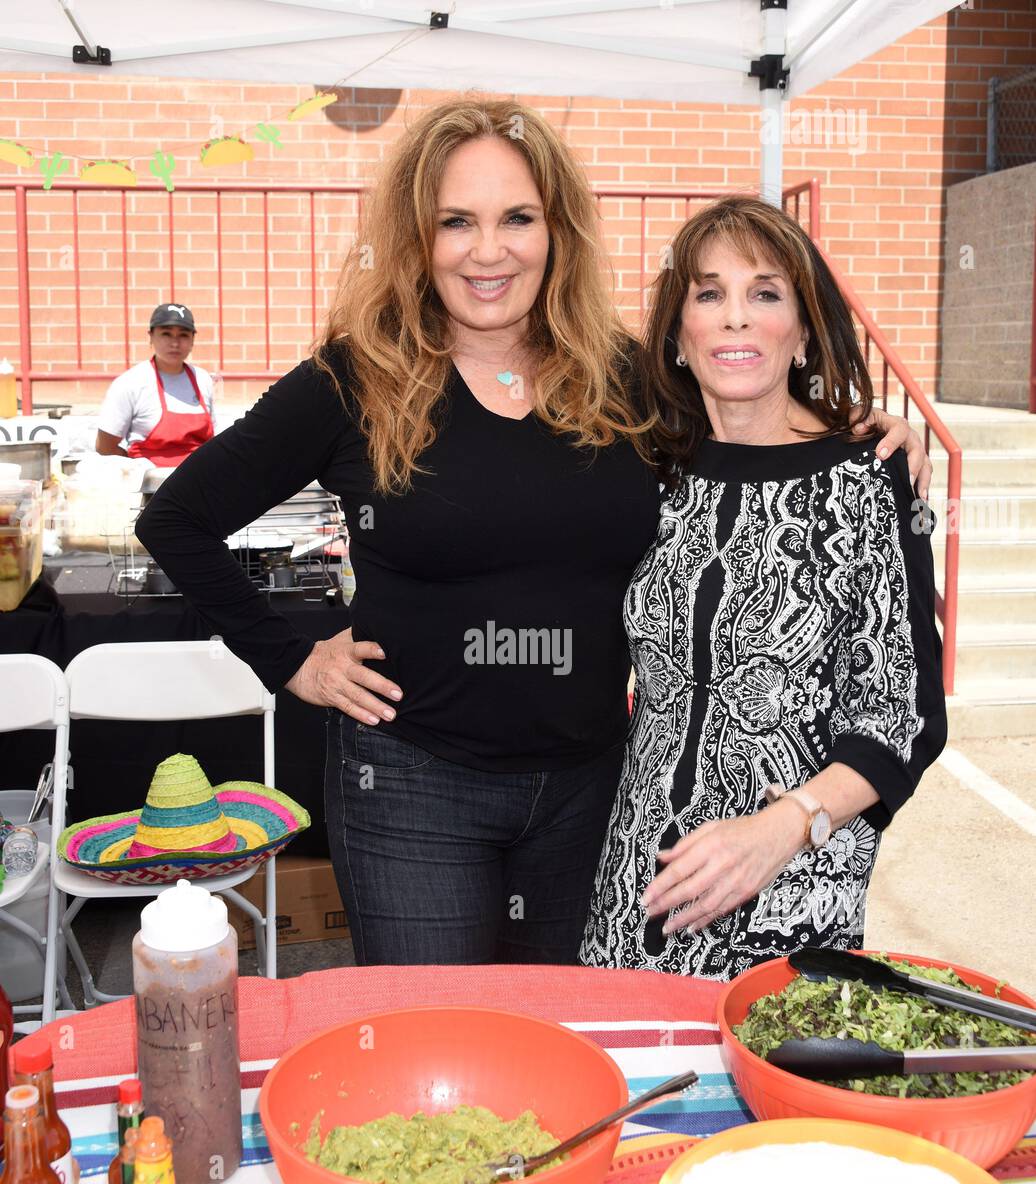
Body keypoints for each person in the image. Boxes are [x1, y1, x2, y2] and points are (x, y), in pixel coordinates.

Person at [136, 99, 929, 969]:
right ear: (416, 238)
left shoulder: (625, 379)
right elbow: (176, 519)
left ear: (556, 232)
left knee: (568, 1052)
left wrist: (867, 437)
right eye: (456, 222)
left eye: (517, 217)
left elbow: (755, 427)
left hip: (593, 795)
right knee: (435, 1052)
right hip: (412, 787)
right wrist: (290, 658)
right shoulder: (355, 380)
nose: (489, 250)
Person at [580, 196, 947, 980]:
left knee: (776, 1098)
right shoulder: (645, 468)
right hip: (634, 886)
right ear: (680, 335)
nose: (736, 318)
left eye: (766, 293)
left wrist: (784, 826)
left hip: (788, 890)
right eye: (709, 294)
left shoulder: (870, 477)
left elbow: (906, 717)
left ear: (804, 330)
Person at [95, 303, 215, 468]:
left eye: (183, 335)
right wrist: (136, 469)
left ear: (193, 339)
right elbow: (105, 446)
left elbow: (213, 441)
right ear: (151, 336)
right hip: (151, 488)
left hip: (200, 482)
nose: (175, 343)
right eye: (166, 334)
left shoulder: (203, 380)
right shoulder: (130, 383)